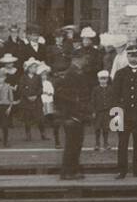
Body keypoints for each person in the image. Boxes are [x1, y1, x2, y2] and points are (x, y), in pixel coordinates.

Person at [113, 44, 137, 178]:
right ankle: (121, 170)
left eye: (136, 55)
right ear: (127, 56)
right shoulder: (120, 74)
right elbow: (115, 96)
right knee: (122, 143)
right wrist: (115, 118)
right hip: (124, 115)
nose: (133, 58)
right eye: (131, 55)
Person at [55, 50, 95, 179]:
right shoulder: (71, 74)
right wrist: (74, 110)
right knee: (72, 145)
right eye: (84, 58)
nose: (86, 61)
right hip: (72, 115)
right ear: (77, 59)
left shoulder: (75, 73)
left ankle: (73, 170)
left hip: (76, 115)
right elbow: (63, 95)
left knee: (76, 144)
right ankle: (67, 172)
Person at [16, 57, 46, 142]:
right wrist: (28, 96)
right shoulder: (23, 77)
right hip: (26, 101)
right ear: (29, 68)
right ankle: (28, 135)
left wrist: (36, 95)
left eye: (36, 67)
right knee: (27, 119)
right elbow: (21, 89)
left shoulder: (38, 77)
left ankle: (43, 134)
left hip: (37, 100)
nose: (35, 69)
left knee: (40, 118)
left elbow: (41, 88)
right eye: (33, 67)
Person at [90, 68, 114, 149]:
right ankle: (97, 143)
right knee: (97, 128)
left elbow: (112, 100)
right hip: (98, 111)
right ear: (98, 79)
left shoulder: (111, 89)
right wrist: (93, 111)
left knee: (106, 128)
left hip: (107, 111)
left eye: (105, 78)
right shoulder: (95, 89)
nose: (103, 80)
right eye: (101, 79)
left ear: (107, 79)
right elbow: (93, 100)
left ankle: (106, 143)